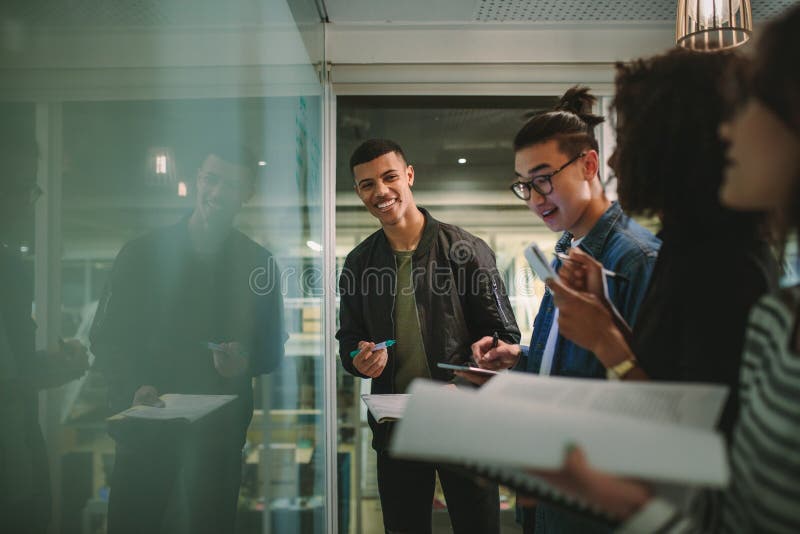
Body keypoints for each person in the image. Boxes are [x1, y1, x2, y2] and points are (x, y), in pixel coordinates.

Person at [530, 8, 799, 531]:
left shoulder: (718, 262)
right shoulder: (688, 245)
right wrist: (608, 320)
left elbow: (696, 441)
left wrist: (608, 341)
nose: (611, 163)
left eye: (629, 138)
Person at [463, 87, 660, 534]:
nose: (534, 197)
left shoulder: (633, 260)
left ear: (589, 165)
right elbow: (576, 366)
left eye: (544, 178)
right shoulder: (568, 250)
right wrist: (521, 359)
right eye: (524, 185)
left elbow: (656, 398)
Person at [90, 146, 286, 534]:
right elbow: (107, 337)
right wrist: (132, 387)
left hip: (217, 437)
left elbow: (271, 348)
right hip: (146, 424)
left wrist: (245, 360)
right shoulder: (141, 254)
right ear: (197, 179)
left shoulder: (259, 263)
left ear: (247, 193)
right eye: (211, 179)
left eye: (231, 185)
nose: (216, 192)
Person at [336, 138, 520, 534]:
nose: (380, 191)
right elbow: (349, 339)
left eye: (389, 178)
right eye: (367, 184)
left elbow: (504, 335)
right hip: (397, 427)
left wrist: (471, 377)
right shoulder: (358, 263)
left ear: (409, 176)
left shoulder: (467, 250)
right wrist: (358, 357)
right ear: (358, 192)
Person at [0, 132, 89, 534]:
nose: (26, 201)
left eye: (28, 188)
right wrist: (55, 370)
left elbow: (14, 367)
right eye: (18, 188)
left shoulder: (9, 270)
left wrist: (50, 366)